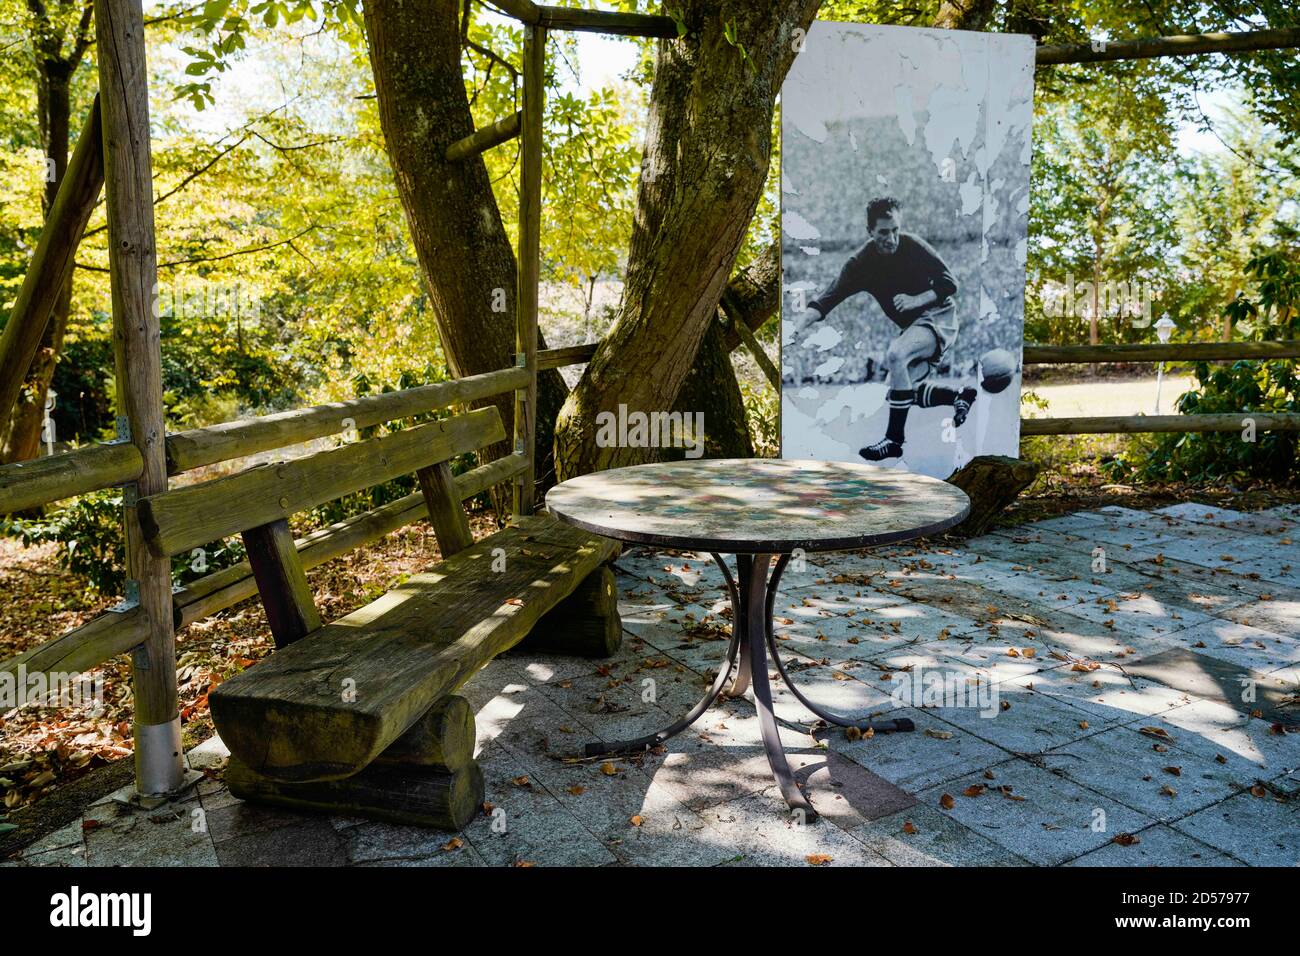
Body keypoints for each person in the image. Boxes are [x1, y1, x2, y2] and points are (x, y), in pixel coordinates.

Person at [798, 196, 975, 461]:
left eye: (895, 230)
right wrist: (796, 327)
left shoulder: (912, 245)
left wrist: (917, 299)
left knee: (896, 355)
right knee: (899, 392)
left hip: (939, 315)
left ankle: (894, 440)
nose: (891, 238)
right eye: (883, 232)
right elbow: (827, 299)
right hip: (915, 325)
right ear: (870, 231)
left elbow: (950, 284)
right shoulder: (860, 264)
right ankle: (960, 396)